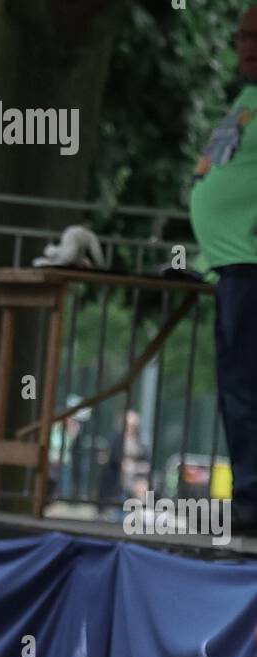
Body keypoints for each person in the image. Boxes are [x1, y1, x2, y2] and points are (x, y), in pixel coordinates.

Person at [189, 6, 257, 533]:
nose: (246, 46)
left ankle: (252, 501)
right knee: (237, 388)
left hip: (250, 267)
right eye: (241, 37)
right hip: (231, 268)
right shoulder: (245, 100)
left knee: (246, 389)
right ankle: (249, 496)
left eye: (256, 36)